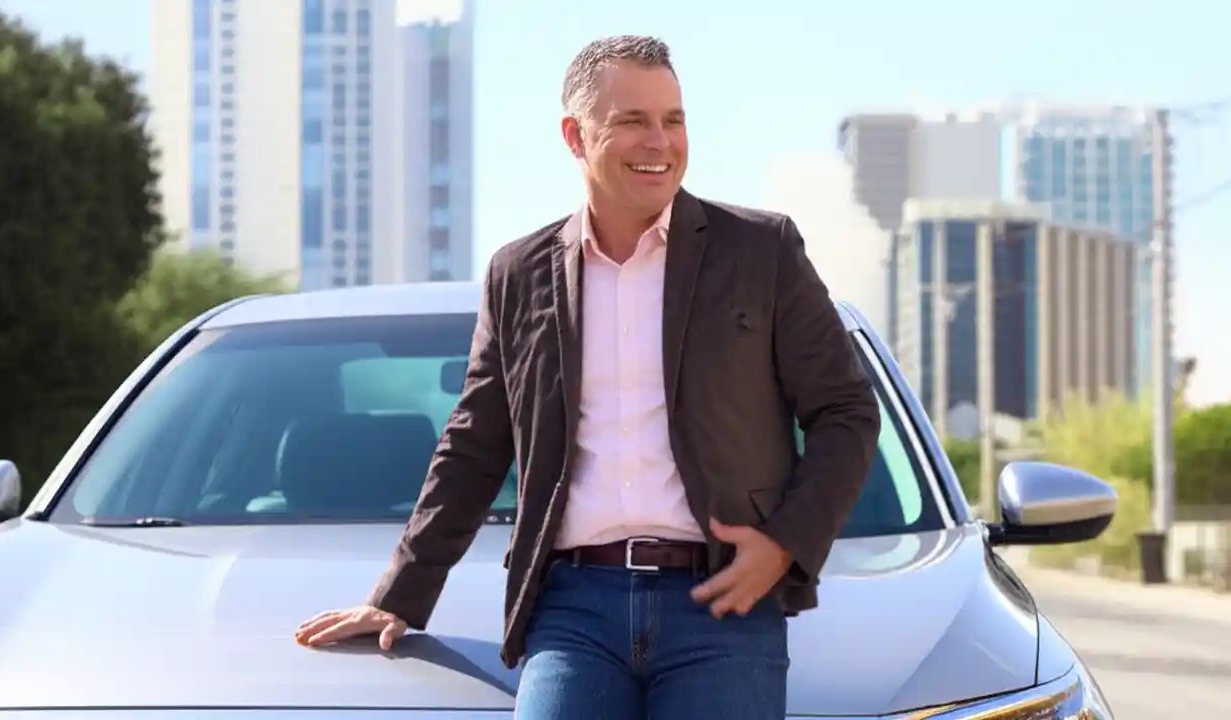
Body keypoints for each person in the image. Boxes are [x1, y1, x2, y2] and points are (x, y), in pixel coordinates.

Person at [295, 34, 881, 719]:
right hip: (573, 608)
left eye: (674, 119)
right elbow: (475, 447)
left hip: (724, 602)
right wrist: (397, 595)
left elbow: (846, 411)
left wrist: (785, 544)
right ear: (576, 136)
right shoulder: (518, 273)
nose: (659, 142)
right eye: (632, 121)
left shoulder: (762, 249)